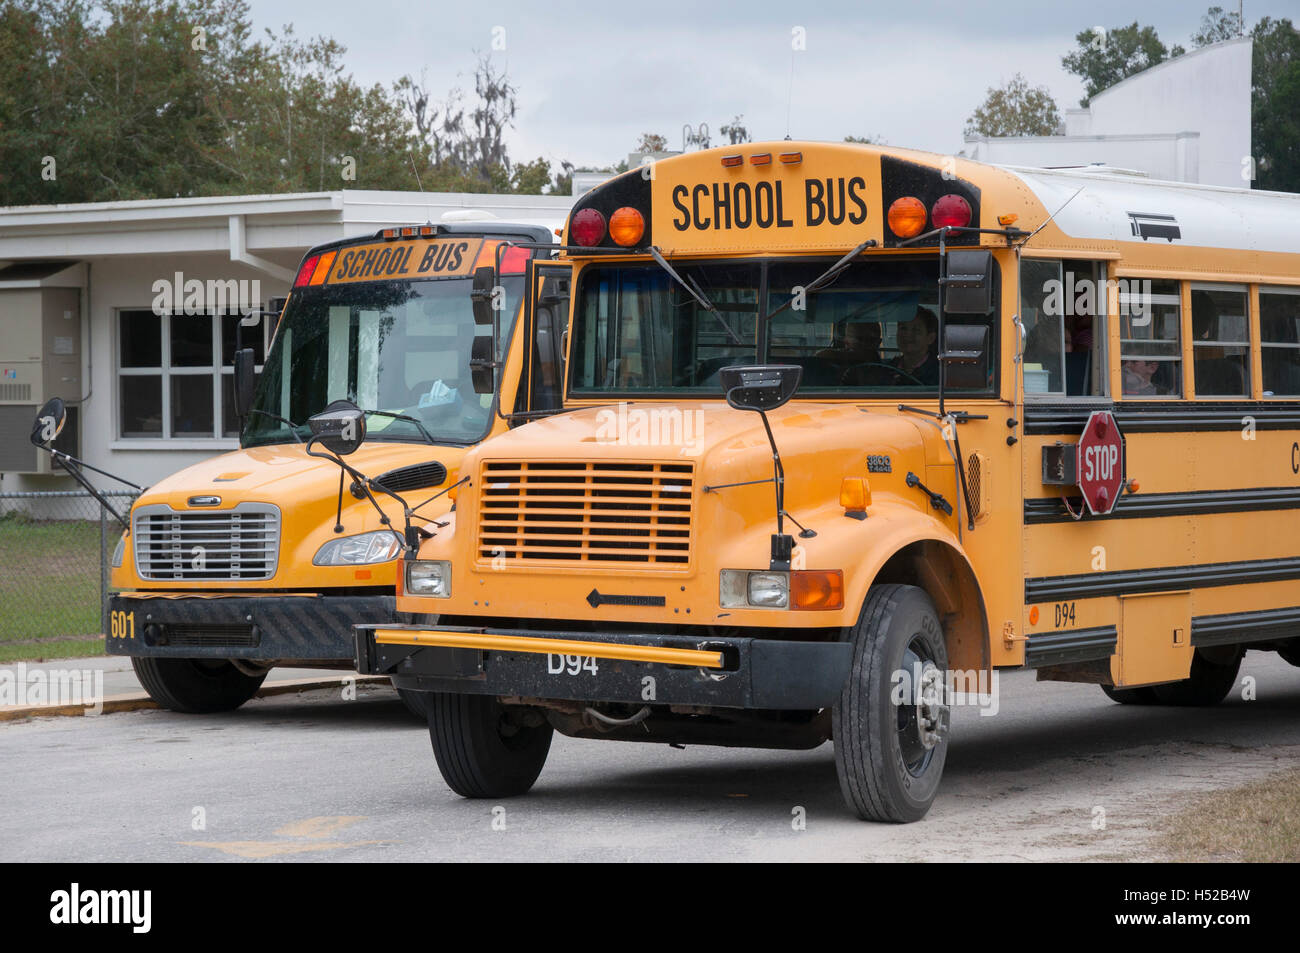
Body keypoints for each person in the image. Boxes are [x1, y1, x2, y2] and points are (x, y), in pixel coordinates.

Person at [890, 307, 940, 385]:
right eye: (903, 328)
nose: (908, 335)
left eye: (916, 330)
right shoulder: (888, 369)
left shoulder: (940, 373)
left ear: (930, 338)